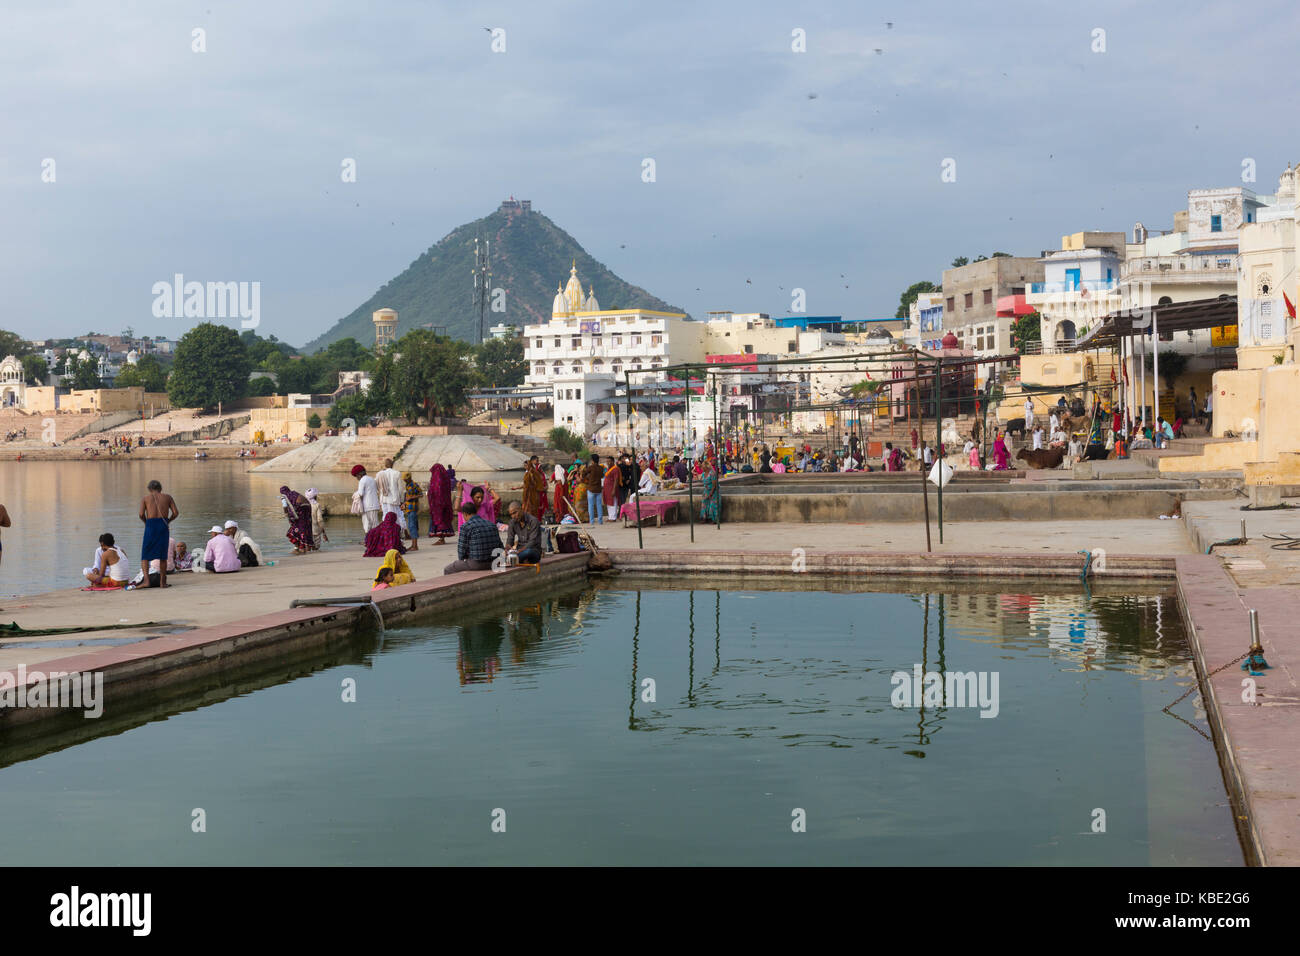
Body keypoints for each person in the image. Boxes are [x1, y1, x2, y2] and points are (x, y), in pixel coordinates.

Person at [138, 480, 179, 588]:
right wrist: (168, 521)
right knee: (162, 555)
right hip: (163, 524)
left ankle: (146, 581)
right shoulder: (168, 497)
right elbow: (175, 513)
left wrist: (146, 522)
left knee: (145, 555)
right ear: (160, 488)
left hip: (150, 525)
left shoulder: (145, 499)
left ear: (149, 489)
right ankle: (162, 582)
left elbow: (141, 514)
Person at [444, 500, 502, 574]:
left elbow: (461, 553)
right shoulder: (492, 524)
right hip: (493, 562)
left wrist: (464, 560)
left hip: (476, 564)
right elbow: (500, 547)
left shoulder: (466, 526)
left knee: (448, 569)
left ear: (464, 514)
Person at [505, 500, 543, 564]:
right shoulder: (512, 522)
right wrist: (507, 548)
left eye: (515, 513)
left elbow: (532, 542)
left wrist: (520, 551)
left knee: (528, 552)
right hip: (519, 552)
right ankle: (514, 559)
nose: (513, 516)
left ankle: (512, 560)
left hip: (533, 551)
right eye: (511, 514)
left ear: (521, 509)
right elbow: (510, 538)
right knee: (503, 552)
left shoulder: (533, 521)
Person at [279, 486, 313, 554]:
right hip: (307, 509)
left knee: (295, 530)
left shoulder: (285, 496)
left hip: (300, 510)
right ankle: (303, 547)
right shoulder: (294, 493)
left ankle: (300, 548)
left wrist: (287, 515)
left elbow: (285, 507)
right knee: (304, 528)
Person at [427, 464, 455, 544]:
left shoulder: (436, 478)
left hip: (438, 503)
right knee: (444, 520)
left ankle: (441, 539)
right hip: (445, 502)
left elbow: (435, 490)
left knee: (439, 520)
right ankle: (441, 538)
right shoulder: (445, 478)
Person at [352, 465, 381, 534]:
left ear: (359, 474)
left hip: (369, 506)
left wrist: (355, 495)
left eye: (356, 476)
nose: (357, 478)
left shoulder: (362, 480)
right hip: (373, 505)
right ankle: (370, 541)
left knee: (369, 525)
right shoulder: (371, 479)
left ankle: (373, 541)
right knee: (373, 524)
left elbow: (360, 493)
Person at [521, 455, 546, 524]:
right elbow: (526, 484)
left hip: (532, 494)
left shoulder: (533, 473)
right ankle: (530, 522)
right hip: (529, 494)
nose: (525, 467)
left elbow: (538, 484)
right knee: (529, 508)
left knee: (532, 508)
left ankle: (532, 522)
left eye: (526, 466)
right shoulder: (530, 473)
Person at [401, 472, 421, 551]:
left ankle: (415, 546)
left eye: (406, 480)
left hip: (413, 508)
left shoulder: (414, 484)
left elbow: (420, 494)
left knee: (413, 527)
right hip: (408, 508)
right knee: (410, 526)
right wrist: (404, 504)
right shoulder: (407, 485)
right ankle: (413, 545)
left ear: (409, 478)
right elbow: (407, 497)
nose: (405, 481)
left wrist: (412, 497)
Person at [583, 455, 604, 525]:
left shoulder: (591, 467)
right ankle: (600, 521)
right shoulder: (601, 468)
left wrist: (588, 476)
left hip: (591, 488)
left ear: (592, 460)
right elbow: (601, 476)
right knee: (599, 505)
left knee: (591, 506)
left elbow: (584, 473)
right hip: (598, 489)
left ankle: (591, 521)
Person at [601, 456, 622, 521]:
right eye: (607, 461)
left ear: (613, 462)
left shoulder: (615, 469)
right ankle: (610, 517)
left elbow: (616, 480)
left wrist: (613, 490)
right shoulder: (608, 469)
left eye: (609, 461)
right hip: (607, 489)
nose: (608, 463)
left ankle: (613, 518)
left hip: (612, 489)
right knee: (608, 503)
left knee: (613, 503)